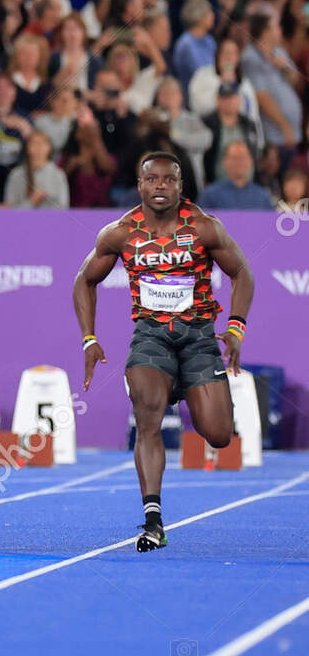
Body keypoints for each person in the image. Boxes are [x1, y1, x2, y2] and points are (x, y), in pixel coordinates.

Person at [75, 152, 255, 551]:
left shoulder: (204, 228)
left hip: (198, 337)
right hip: (151, 337)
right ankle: (153, 519)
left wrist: (236, 328)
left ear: (180, 186)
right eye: (151, 180)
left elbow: (242, 273)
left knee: (220, 434)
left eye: (168, 180)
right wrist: (90, 339)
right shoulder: (121, 233)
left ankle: (184, 384)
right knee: (148, 418)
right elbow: (83, 280)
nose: (160, 186)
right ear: (139, 186)